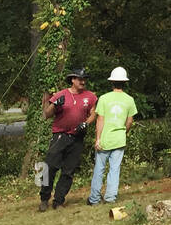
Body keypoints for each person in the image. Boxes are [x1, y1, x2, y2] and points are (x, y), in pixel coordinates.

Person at [38, 66, 96, 211]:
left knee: (68, 171)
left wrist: (86, 123)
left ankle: (59, 201)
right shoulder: (61, 94)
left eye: (84, 79)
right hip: (60, 135)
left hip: (77, 137)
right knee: (49, 167)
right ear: (73, 80)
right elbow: (46, 115)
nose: (83, 82)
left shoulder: (90, 96)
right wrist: (55, 104)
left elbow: (93, 113)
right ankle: (44, 198)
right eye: (80, 79)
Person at [88, 67, 137, 206]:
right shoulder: (129, 100)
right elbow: (129, 121)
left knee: (99, 169)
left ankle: (94, 199)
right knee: (115, 170)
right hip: (119, 139)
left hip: (105, 139)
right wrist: (124, 132)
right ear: (124, 83)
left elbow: (100, 120)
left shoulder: (104, 98)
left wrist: (98, 139)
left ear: (112, 82)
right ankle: (110, 197)